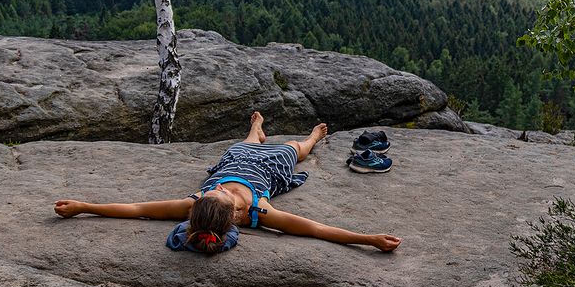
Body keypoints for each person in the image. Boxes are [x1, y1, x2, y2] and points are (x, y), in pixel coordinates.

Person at [54, 111, 402, 253]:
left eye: (212, 191)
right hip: (268, 169)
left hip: (234, 161)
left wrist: (85, 206)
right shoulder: (260, 212)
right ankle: (312, 137)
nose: (215, 188)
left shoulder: (196, 204)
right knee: (295, 149)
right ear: (235, 213)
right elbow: (317, 229)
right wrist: (368, 240)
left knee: (240, 146)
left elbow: (136, 209)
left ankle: (255, 130)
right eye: (218, 193)